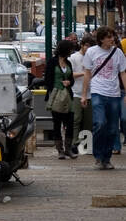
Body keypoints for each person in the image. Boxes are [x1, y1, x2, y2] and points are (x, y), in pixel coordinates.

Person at [82, 29, 126, 170]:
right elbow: (87, 74)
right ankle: (98, 155)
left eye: (112, 36)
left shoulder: (118, 53)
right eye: (108, 37)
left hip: (114, 93)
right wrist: (84, 95)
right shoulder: (91, 52)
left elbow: (123, 73)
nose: (112, 39)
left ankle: (106, 158)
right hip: (97, 92)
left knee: (113, 128)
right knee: (100, 123)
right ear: (101, 39)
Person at [42, 38, 76, 158]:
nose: (71, 52)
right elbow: (47, 79)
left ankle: (68, 148)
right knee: (57, 122)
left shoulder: (69, 63)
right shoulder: (52, 62)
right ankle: (60, 150)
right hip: (56, 95)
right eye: (70, 49)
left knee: (70, 122)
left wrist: (69, 82)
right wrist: (56, 87)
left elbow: (72, 78)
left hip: (68, 96)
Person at [70, 34, 93, 154]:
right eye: (86, 46)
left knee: (89, 121)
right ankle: (75, 143)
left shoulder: (93, 57)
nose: (88, 49)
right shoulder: (74, 57)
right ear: (82, 45)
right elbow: (70, 74)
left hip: (91, 93)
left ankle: (86, 146)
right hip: (76, 92)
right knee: (76, 118)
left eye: (90, 46)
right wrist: (84, 73)